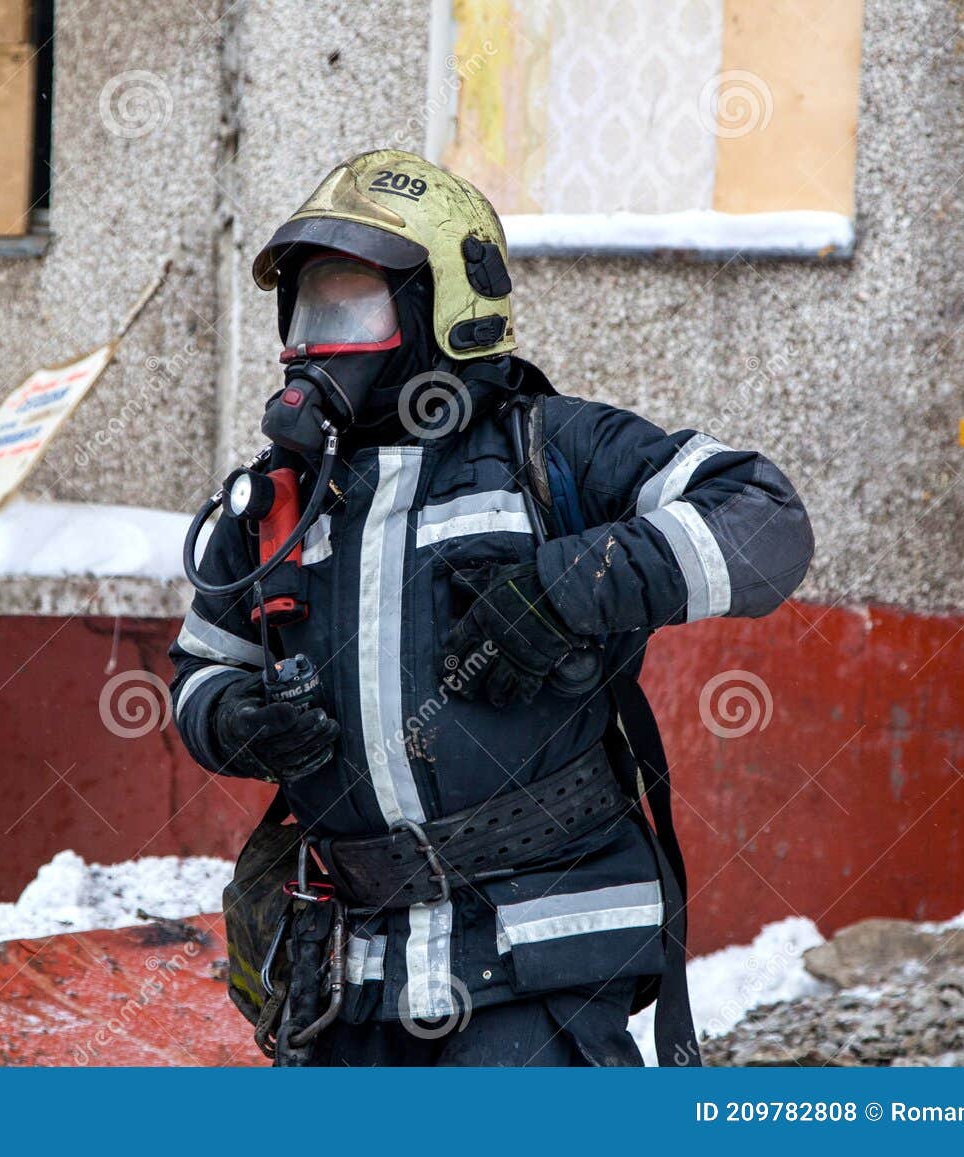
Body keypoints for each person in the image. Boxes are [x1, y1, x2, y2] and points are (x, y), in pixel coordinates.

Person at [169, 149, 813, 1067]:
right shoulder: (280, 503)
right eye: (311, 308)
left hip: (540, 957)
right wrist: (236, 720)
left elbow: (765, 521)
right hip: (349, 979)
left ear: (447, 307)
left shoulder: (553, 449)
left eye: (352, 305)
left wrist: (568, 587)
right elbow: (201, 672)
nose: (318, 340)